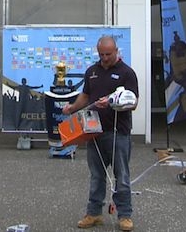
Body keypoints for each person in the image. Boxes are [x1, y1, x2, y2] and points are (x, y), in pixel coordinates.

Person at [62, 36, 139, 231]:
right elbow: (86, 96)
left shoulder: (127, 73)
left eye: (108, 54)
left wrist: (113, 102)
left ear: (116, 51)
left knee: (121, 175)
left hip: (118, 133)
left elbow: (134, 102)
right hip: (94, 132)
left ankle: (125, 216)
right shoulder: (92, 72)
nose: (104, 58)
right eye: (101, 54)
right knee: (97, 175)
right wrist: (72, 108)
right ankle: (94, 213)